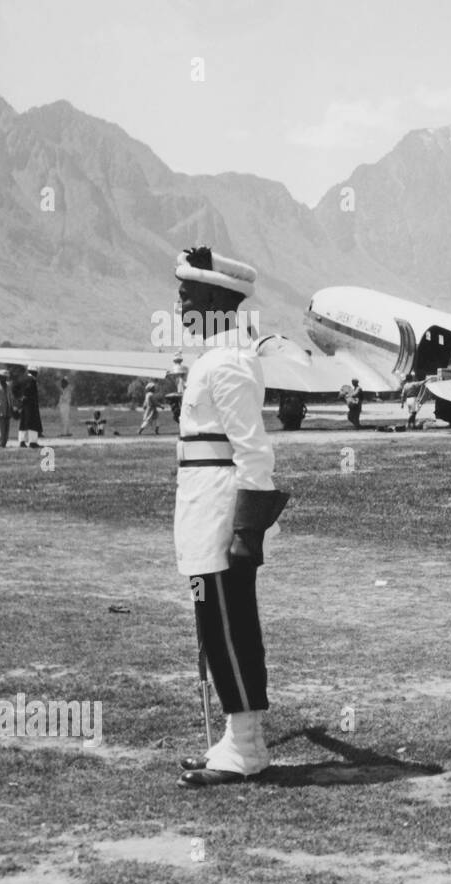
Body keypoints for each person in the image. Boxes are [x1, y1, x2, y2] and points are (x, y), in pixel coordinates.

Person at [172, 246, 288, 788]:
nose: (180, 301)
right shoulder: (209, 360)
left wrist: (247, 533)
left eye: (189, 292)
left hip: (221, 514)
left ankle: (246, 747)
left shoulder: (231, 363)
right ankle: (236, 736)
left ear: (218, 299)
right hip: (201, 510)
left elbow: (254, 455)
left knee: (229, 627)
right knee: (214, 626)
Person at [16, 367, 43, 448]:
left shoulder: (22, 379)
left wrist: (21, 398)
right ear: (34, 372)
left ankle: (22, 441)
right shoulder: (32, 380)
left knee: (23, 423)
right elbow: (30, 392)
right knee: (33, 424)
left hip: (24, 405)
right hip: (31, 406)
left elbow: (15, 389)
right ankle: (33, 442)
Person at [0, 370, 10, 449]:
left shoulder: (8, 386)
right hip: (0, 410)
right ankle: (1, 443)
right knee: (1, 427)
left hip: (8, 410)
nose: (5, 379)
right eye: (3, 377)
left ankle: (4, 442)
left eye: (6, 377)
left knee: (6, 427)